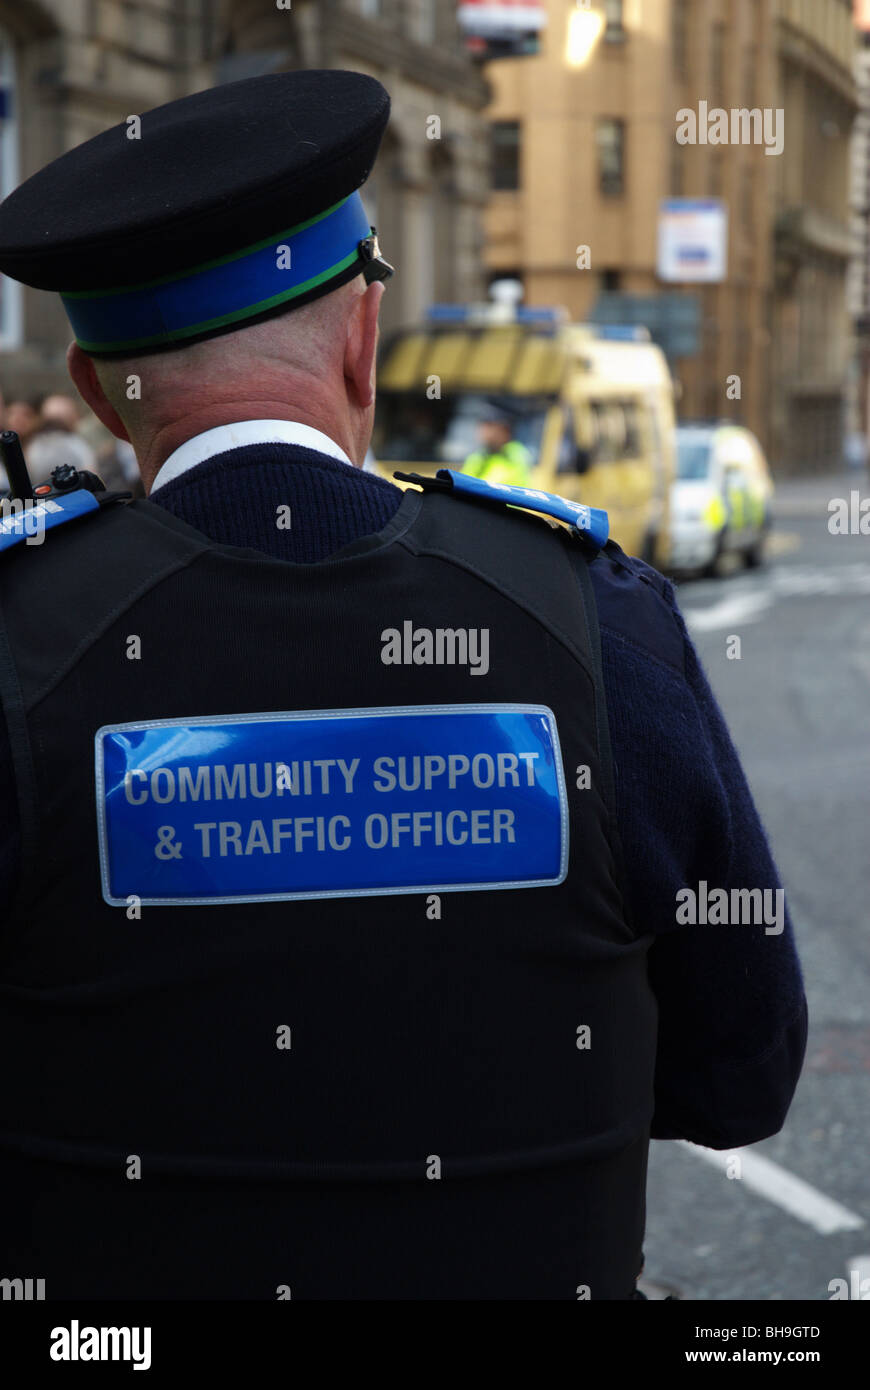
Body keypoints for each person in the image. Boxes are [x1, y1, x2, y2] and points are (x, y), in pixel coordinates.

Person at [0, 70, 806, 1301]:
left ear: (102, 387)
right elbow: (741, 1074)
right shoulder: (592, 618)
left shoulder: (18, 640)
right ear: (364, 345)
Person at [462, 404, 534, 486]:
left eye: (489, 426)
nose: (483, 431)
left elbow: (510, 487)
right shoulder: (477, 456)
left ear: (504, 430)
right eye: (482, 426)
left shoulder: (515, 454)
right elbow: (464, 482)